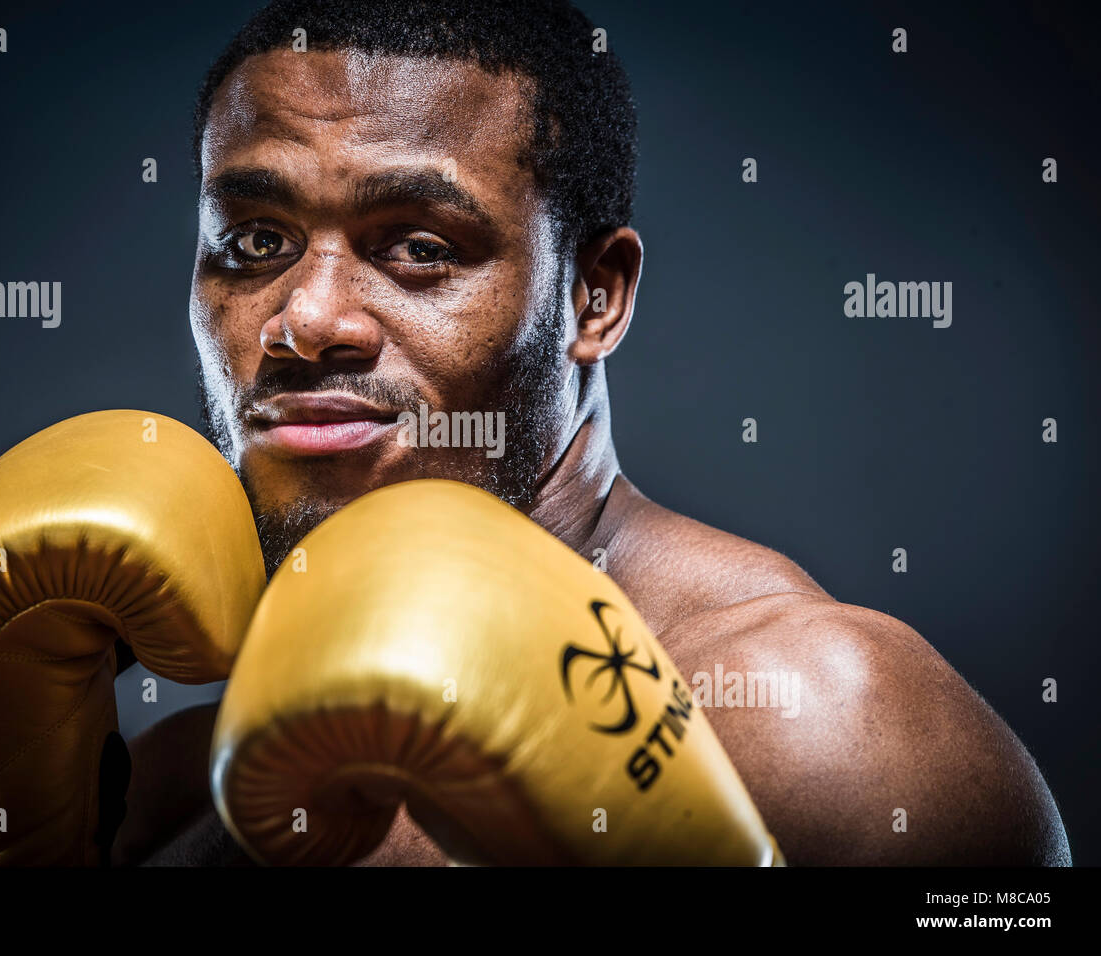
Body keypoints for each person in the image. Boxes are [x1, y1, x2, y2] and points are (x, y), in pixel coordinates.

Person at [114, 0, 1067, 865]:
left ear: (595, 296)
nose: (307, 320)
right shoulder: (176, 786)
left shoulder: (816, 721)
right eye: (256, 243)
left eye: (419, 249)